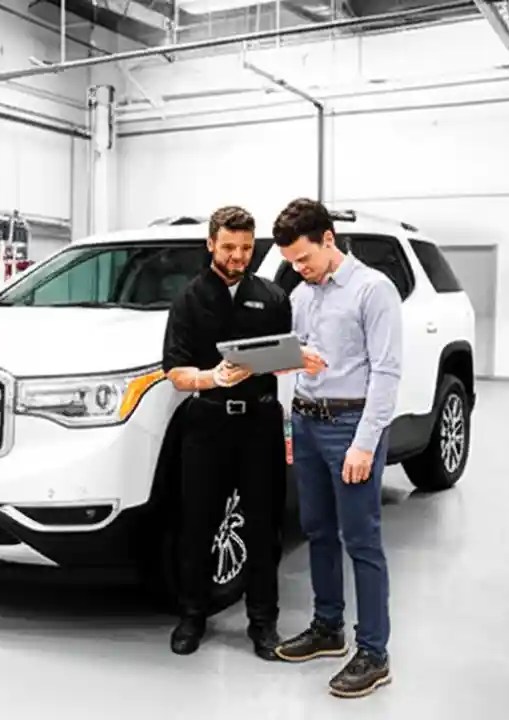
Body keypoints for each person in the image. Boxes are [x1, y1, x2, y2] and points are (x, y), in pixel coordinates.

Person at [160, 205, 324, 658]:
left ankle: (263, 624)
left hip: (260, 424)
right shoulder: (188, 299)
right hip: (207, 423)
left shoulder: (272, 297)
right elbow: (175, 371)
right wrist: (211, 378)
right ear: (211, 243)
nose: (238, 256)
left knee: (264, 527)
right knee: (197, 525)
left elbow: (287, 356)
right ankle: (192, 617)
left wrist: (300, 357)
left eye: (247, 248)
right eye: (229, 247)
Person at [268, 198, 402, 698]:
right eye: (291, 263)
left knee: (361, 540)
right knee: (317, 530)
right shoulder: (304, 294)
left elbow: (387, 373)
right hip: (305, 423)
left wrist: (364, 444)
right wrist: (288, 416)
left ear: (329, 240)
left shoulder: (373, 290)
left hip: (350, 426)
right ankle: (328, 629)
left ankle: (374, 652)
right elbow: (297, 358)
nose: (298, 270)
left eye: (303, 258)